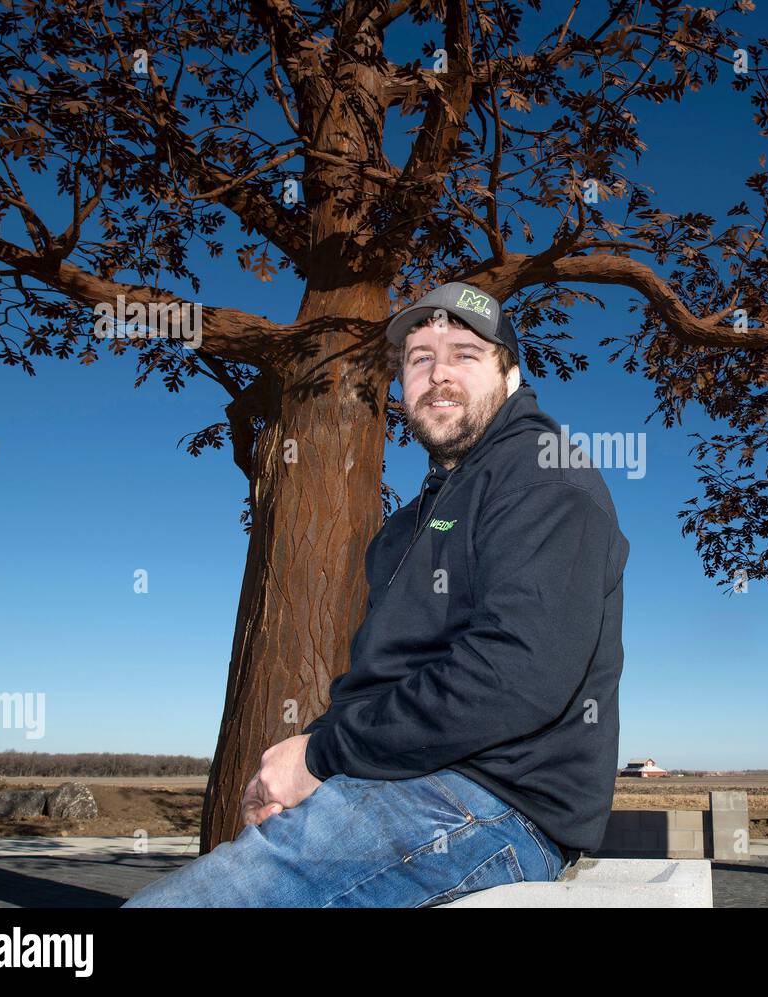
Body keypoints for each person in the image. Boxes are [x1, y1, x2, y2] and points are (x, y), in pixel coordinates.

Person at [123, 281, 630, 907]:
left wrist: (322, 755)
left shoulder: (545, 475)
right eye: (419, 358)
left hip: (496, 802)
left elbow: (515, 676)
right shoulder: (406, 527)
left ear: (512, 373)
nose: (438, 374)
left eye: (465, 354)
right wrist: (300, 762)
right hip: (402, 781)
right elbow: (381, 680)